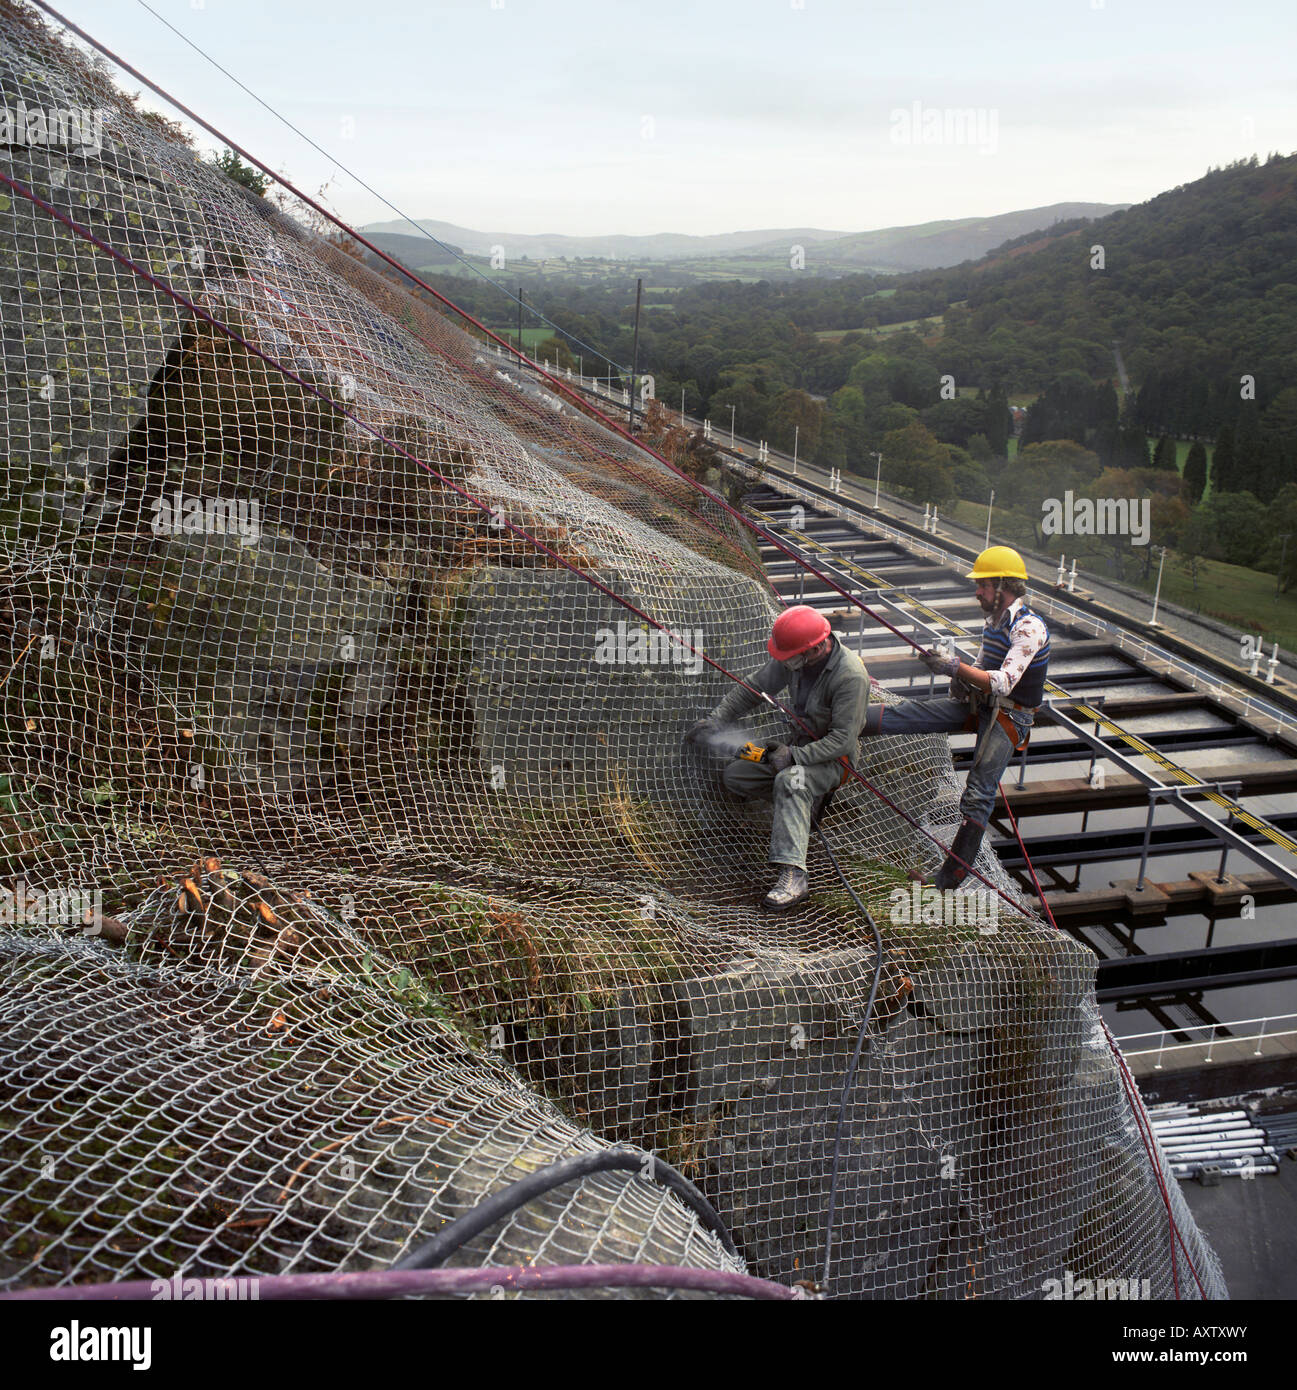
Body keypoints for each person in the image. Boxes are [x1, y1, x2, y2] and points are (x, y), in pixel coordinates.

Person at [859, 545, 1049, 889]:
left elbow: (1003, 682)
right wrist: (957, 677)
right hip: (985, 706)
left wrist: (954, 667)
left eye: (984, 586)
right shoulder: (993, 622)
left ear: (1003, 586)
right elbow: (980, 670)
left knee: (978, 793)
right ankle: (854, 721)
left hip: (1009, 718)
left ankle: (948, 880)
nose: (977, 591)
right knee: (915, 713)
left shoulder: (1028, 628)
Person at [685, 605, 870, 912]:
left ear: (815, 649)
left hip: (835, 761)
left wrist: (795, 756)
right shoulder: (795, 659)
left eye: (790, 657)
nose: (784, 662)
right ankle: (796, 813)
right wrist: (717, 720)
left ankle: (794, 875)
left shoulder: (850, 675)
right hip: (796, 749)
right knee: (737, 776)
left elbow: (842, 740)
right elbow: (754, 688)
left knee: (790, 780)